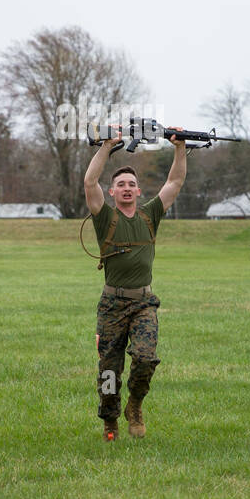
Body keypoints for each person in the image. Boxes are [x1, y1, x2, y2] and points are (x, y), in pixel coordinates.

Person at [84, 130, 187, 440]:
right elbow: (90, 182)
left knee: (145, 358)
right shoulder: (104, 218)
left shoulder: (150, 215)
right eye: (120, 185)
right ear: (112, 192)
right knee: (108, 371)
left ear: (139, 191)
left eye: (131, 184)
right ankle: (109, 419)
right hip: (112, 306)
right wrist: (106, 147)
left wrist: (180, 149)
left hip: (143, 303)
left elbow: (174, 183)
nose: (126, 188)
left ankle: (135, 405)